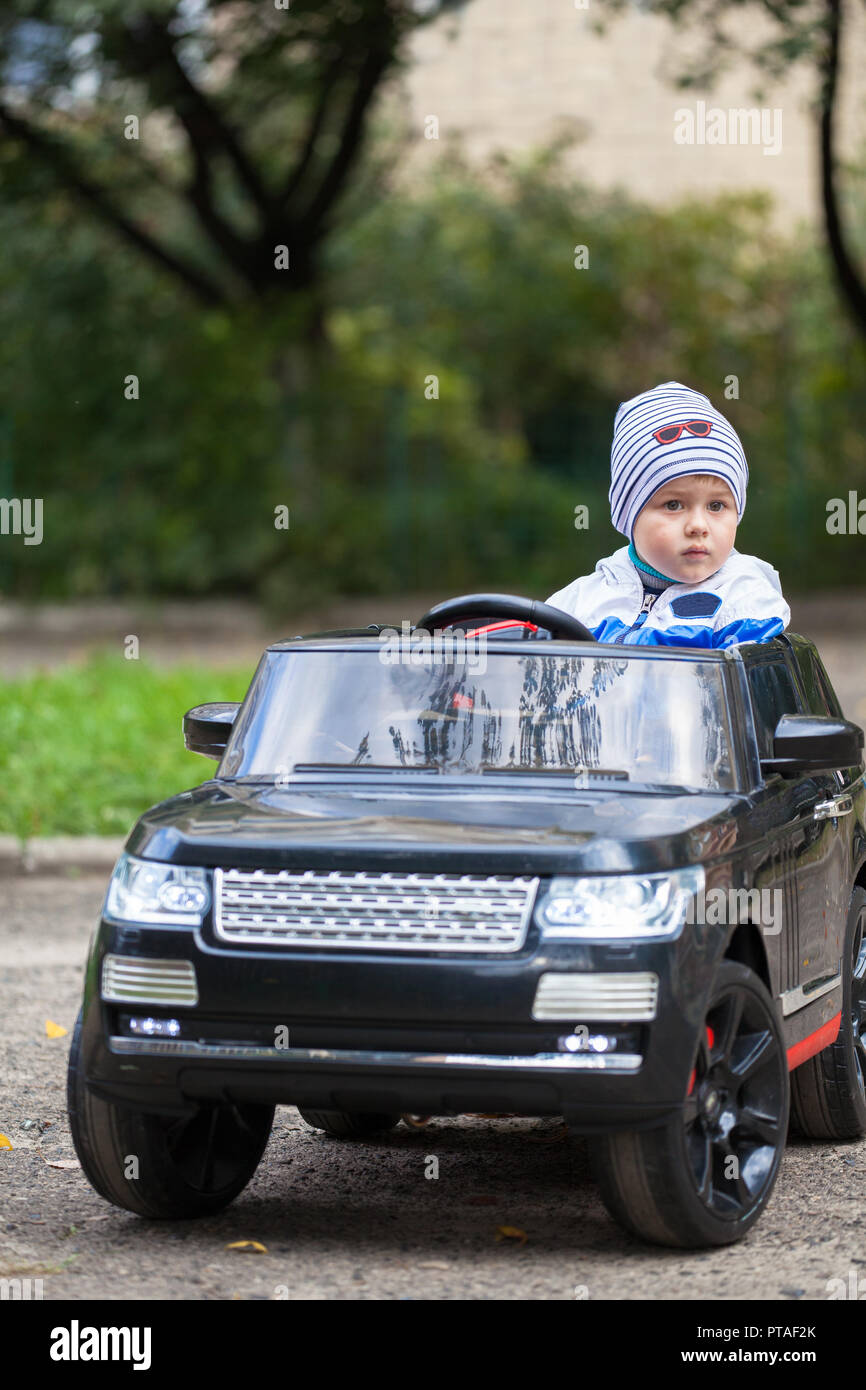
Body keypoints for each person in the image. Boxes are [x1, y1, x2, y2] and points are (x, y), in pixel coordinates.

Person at [546, 380, 790, 648]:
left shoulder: (744, 605)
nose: (698, 526)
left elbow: (740, 686)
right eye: (673, 505)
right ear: (630, 515)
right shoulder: (579, 603)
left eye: (716, 506)